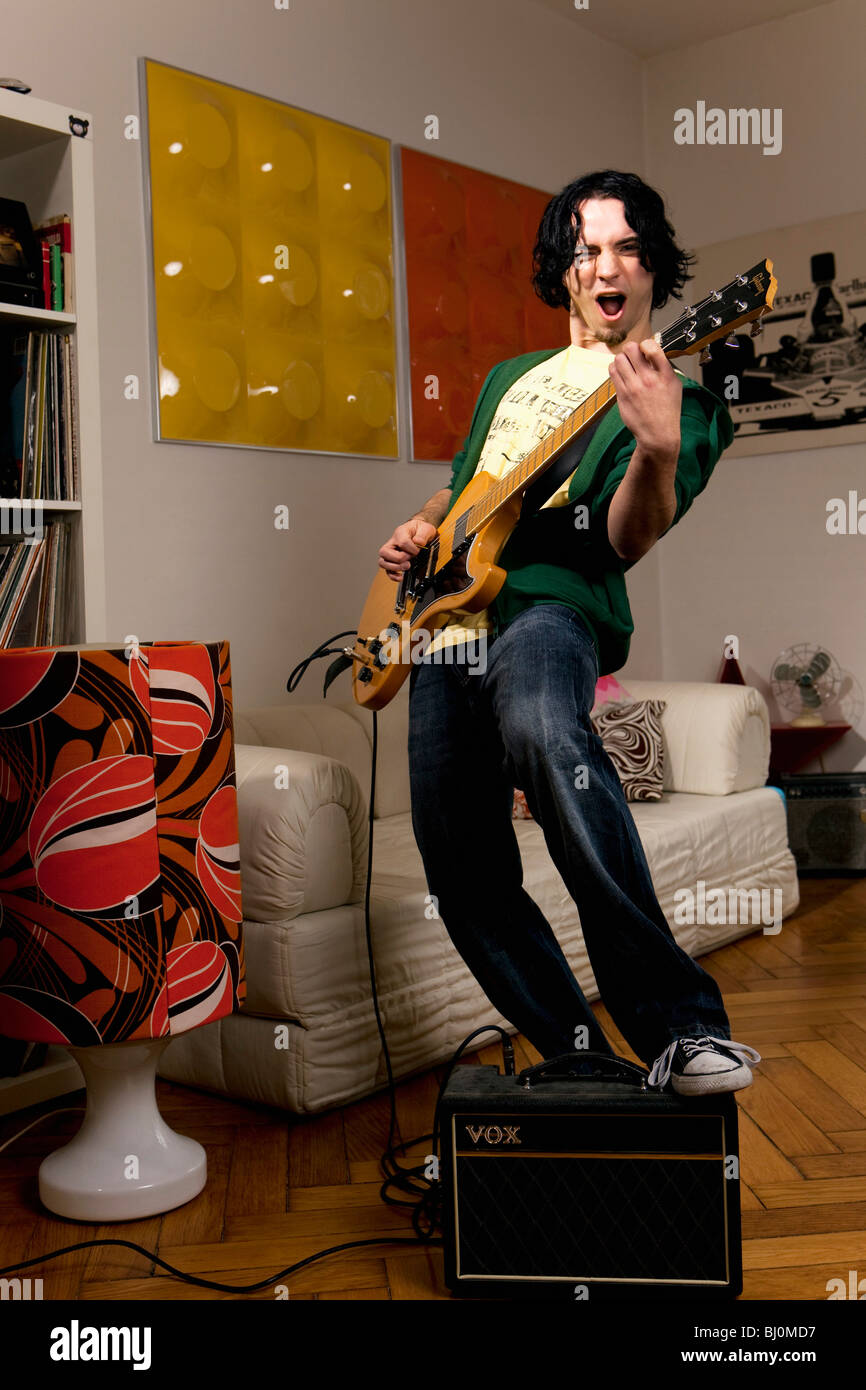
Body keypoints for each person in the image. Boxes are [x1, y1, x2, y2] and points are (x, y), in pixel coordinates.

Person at [377, 170, 760, 1096]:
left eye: (627, 246)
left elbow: (629, 536)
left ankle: (684, 1030)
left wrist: (658, 450)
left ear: (654, 267)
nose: (607, 265)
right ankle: (576, 1053)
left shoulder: (682, 397)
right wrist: (423, 525)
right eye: (587, 249)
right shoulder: (510, 378)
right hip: (446, 626)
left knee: (550, 736)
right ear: (563, 270)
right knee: (459, 863)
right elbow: (467, 486)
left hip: (550, 605)